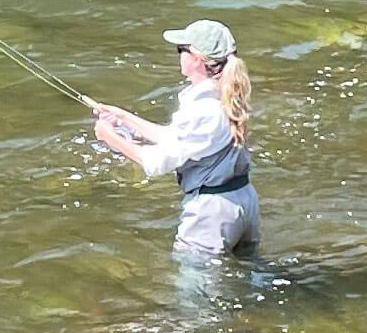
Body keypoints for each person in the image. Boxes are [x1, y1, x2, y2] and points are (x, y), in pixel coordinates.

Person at [93, 19, 260, 256]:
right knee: (245, 270)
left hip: (212, 213)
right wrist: (123, 117)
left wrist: (110, 136)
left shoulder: (204, 109)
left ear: (196, 59)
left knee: (195, 278)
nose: (179, 55)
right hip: (244, 200)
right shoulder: (224, 96)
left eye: (181, 49)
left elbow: (156, 162)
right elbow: (175, 138)